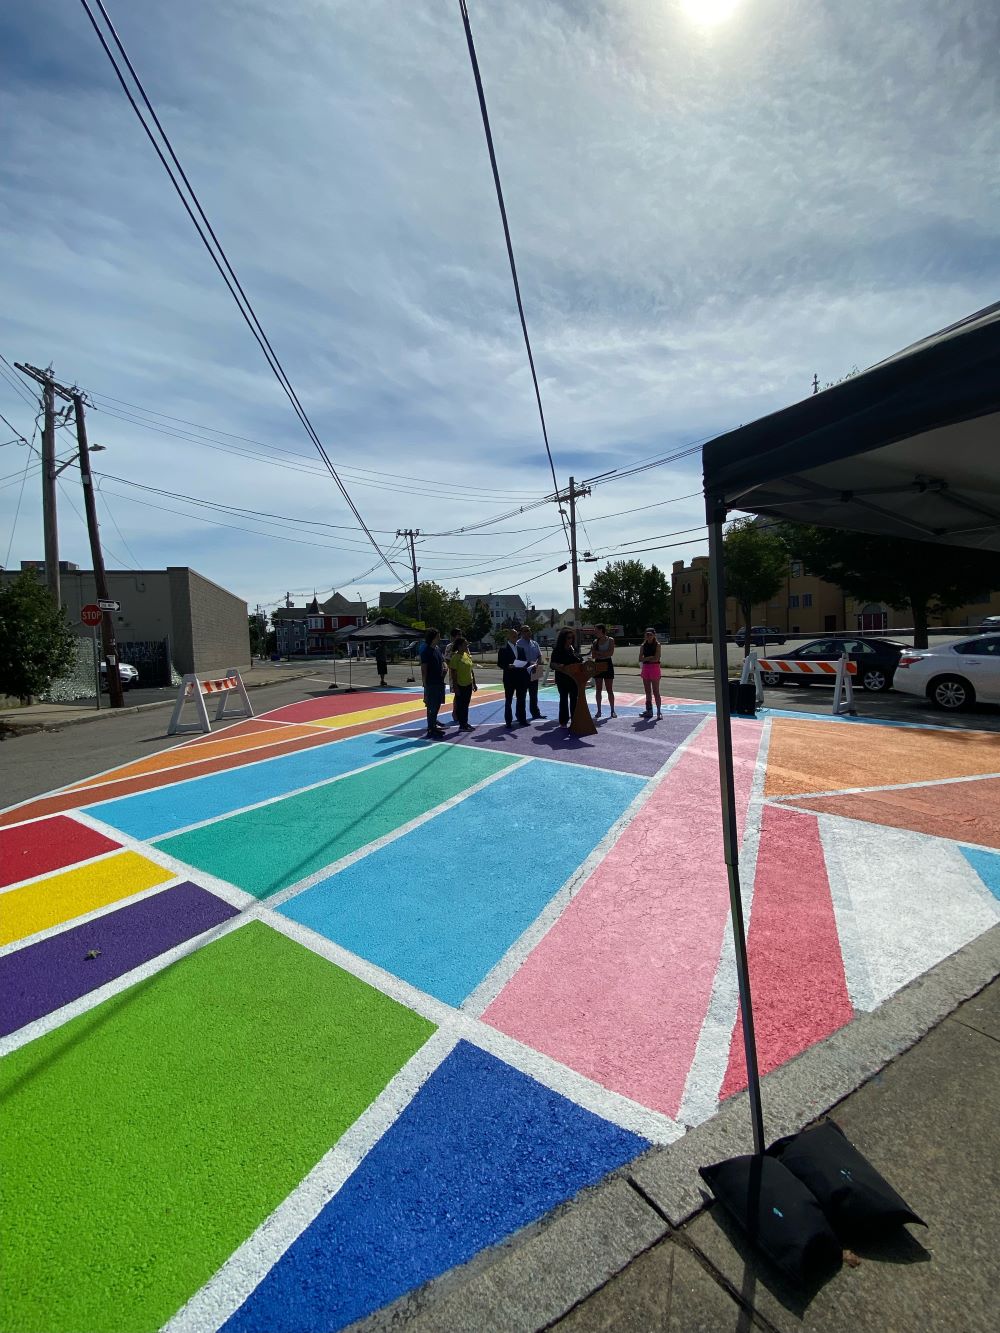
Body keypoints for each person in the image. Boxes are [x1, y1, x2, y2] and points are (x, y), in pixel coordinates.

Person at [550, 626, 584, 727]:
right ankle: (563, 721)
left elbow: (579, 661)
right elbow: (552, 664)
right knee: (563, 699)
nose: (570, 640)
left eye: (572, 638)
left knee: (574, 699)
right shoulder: (557, 650)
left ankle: (575, 719)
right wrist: (559, 666)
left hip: (573, 678)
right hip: (562, 678)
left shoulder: (573, 649)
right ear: (563, 638)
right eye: (568, 638)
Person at [419, 627, 448, 738]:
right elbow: (424, 669)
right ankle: (431, 728)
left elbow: (443, 661)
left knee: (437, 705)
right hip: (431, 683)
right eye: (438, 636)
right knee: (432, 706)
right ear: (433, 637)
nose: (440, 638)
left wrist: (445, 666)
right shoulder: (426, 652)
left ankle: (433, 726)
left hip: (439, 682)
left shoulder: (437, 649)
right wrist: (425, 683)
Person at [448, 636, 478, 730]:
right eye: (465, 644)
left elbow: (471, 669)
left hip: (468, 684)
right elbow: (453, 674)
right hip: (460, 685)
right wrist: (455, 687)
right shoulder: (455, 657)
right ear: (459, 646)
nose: (467, 646)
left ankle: (465, 723)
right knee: (461, 706)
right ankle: (462, 725)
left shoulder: (467, 655)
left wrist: (474, 683)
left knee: (466, 705)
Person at [517, 625, 545, 719]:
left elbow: (539, 656)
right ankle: (520, 716)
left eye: (529, 630)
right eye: (526, 631)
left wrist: (537, 664)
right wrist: (528, 664)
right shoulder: (518, 644)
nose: (528, 632)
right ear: (521, 633)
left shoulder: (535, 643)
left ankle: (535, 713)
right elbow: (517, 659)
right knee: (522, 695)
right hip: (523, 672)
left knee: (534, 694)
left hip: (534, 670)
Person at [497, 627, 522, 727]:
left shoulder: (520, 648)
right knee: (509, 700)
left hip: (519, 678)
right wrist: (508, 666)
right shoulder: (503, 649)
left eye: (516, 636)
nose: (515, 637)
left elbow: (523, 661)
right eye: (513, 636)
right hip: (509, 678)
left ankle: (521, 718)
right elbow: (500, 663)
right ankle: (508, 721)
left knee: (521, 699)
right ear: (509, 636)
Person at [590, 624, 617, 718]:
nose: (594, 632)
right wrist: (602, 654)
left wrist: (598, 653)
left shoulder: (610, 640)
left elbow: (610, 653)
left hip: (608, 664)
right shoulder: (595, 642)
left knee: (609, 689)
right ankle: (599, 711)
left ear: (601, 630)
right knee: (598, 689)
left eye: (596, 630)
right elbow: (593, 656)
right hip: (598, 665)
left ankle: (612, 710)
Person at [639, 627, 663, 719]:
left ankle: (659, 711)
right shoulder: (643, 645)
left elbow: (656, 658)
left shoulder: (657, 645)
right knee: (647, 691)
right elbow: (640, 659)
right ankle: (649, 711)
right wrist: (650, 658)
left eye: (650, 634)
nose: (648, 636)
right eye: (647, 634)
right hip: (646, 668)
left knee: (656, 691)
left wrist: (646, 658)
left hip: (655, 668)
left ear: (654, 635)